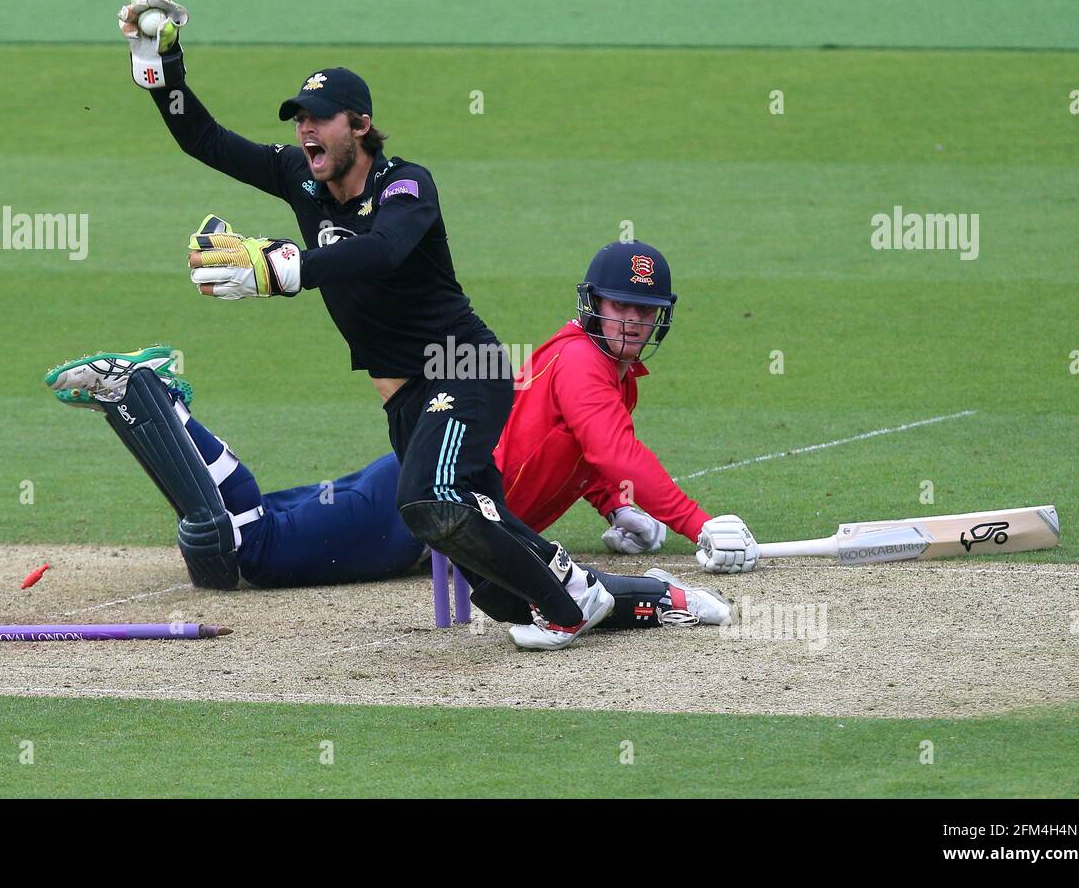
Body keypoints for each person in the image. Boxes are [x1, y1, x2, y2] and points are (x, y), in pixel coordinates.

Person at [114, 0, 615, 649]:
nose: (305, 132)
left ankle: (565, 609)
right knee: (476, 537)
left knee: (427, 499)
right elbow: (202, 139)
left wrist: (287, 268)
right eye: (299, 120)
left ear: (359, 125)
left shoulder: (406, 185)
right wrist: (160, 66)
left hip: (463, 367)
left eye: (320, 120)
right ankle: (583, 589)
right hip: (405, 396)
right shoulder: (300, 178)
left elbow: (382, 252)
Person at [44, 240, 754, 633]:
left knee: (241, 528)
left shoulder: (598, 371)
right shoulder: (580, 361)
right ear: (592, 306)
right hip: (416, 518)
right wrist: (695, 523)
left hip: (420, 501)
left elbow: (583, 455)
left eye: (644, 311)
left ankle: (154, 399)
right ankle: (152, 400)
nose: (630, 321)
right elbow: (608, 447)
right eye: (619, 306)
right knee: (242, 554)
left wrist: (614, 507)